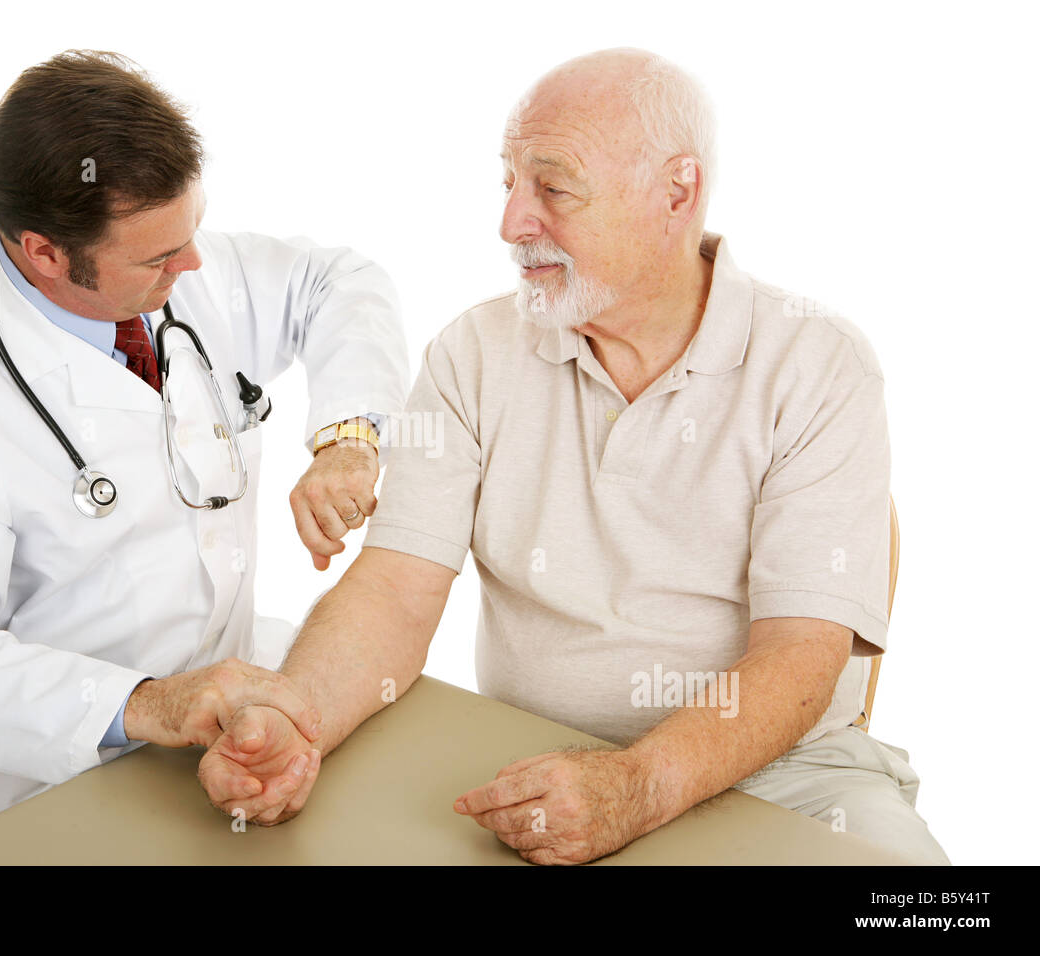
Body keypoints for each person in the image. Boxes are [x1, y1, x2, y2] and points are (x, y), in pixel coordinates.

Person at [194, 48, 951, 865]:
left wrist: (638, 785)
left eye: (553, 187)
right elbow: (393, 593)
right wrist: (294, 719)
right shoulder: (473, 353)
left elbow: (801, 653)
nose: (513, 221)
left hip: (787, 772)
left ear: (676, 191)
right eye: (509, 182)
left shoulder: (819, 361)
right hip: (529, 755)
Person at [0, 50, 408, 841]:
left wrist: (348, 439)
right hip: (42, 792)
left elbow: (337, 282)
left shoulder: (175, 268)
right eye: (160, 256)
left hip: (222, 739)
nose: (196, 265)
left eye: (194, 230)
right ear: (43, 251)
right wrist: (146, 703)